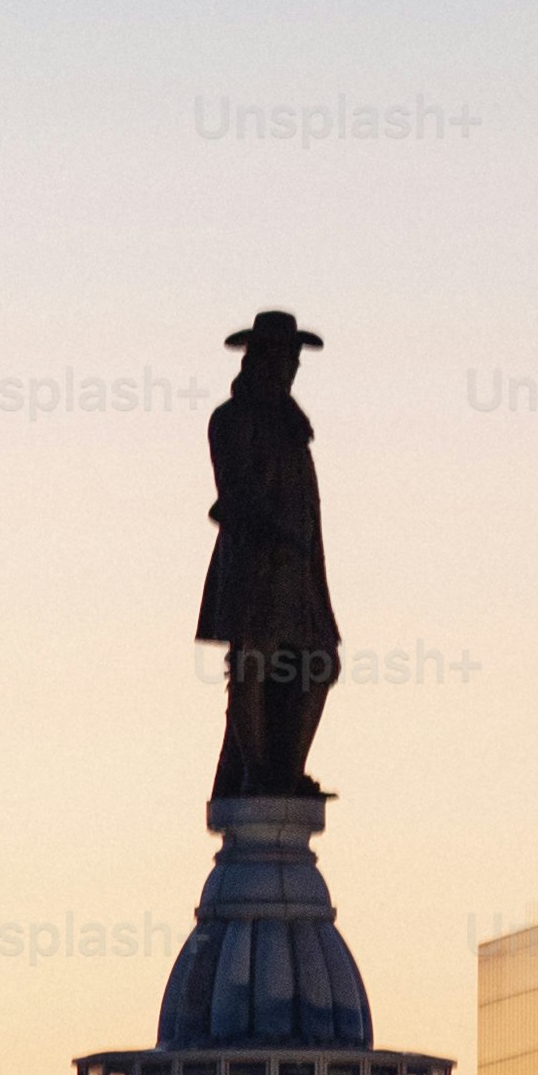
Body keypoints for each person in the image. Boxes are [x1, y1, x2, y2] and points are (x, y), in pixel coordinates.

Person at [200, 309, 342, 802]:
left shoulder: (293, 425)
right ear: (258, 359)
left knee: (319, 662)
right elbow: (235, 490)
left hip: (300, 568)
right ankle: (257, 771)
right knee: (253, 663)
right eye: (283, 356)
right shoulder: (232, 417)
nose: (290, 367)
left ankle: (287, 767)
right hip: (256, 564)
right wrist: (272, 530)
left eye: (295, 358)